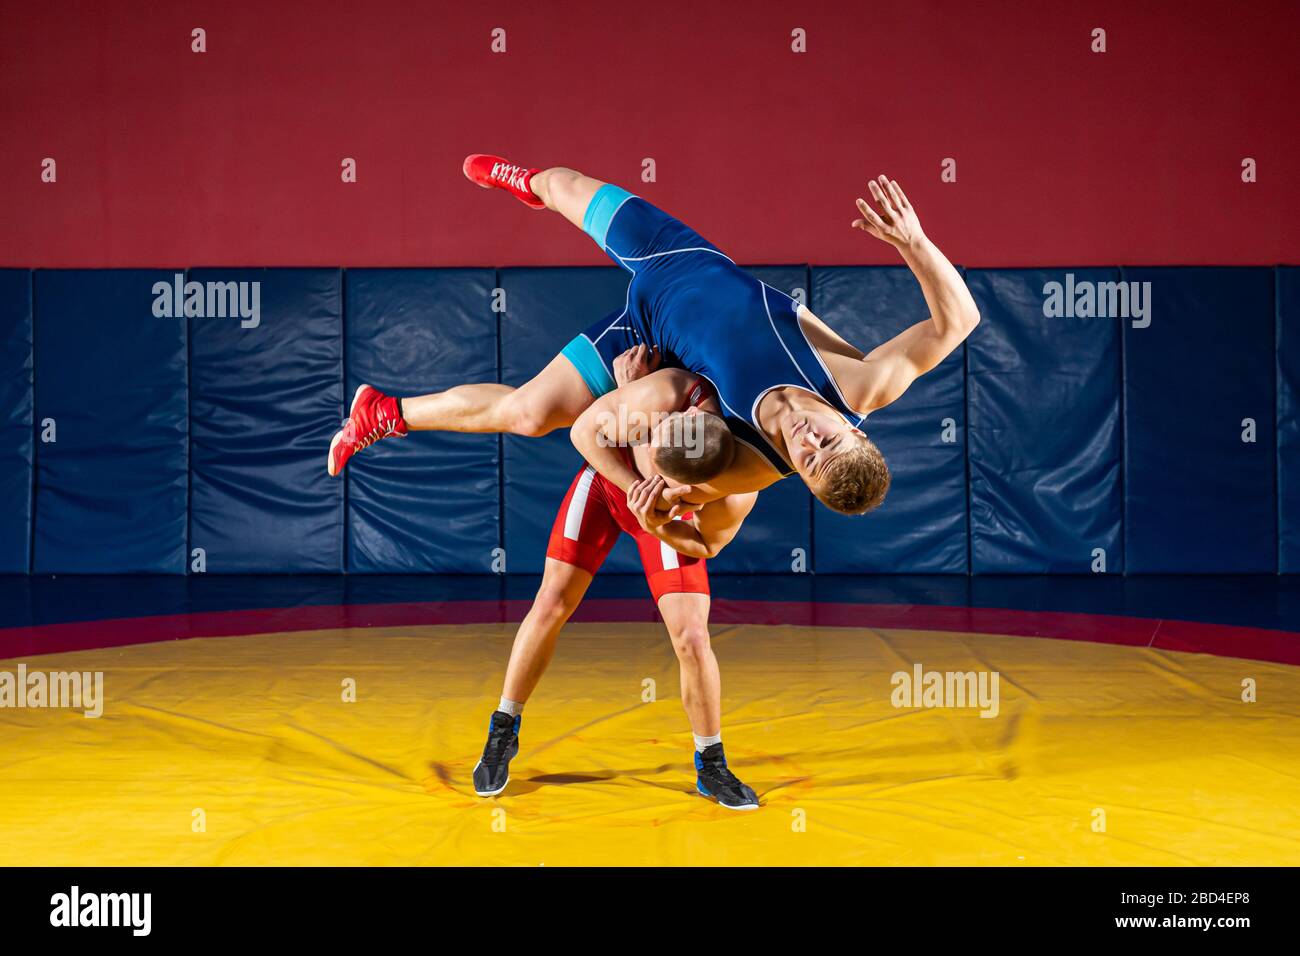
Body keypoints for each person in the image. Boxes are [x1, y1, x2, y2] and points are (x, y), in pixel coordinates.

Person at [327, 155, 980, 519]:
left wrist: (642, 441)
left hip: (643, 338)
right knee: (564, 187)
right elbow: (958, 322)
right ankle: (526, 182)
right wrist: (915, 243)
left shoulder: (750, 464)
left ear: (803, 482)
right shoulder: (860, 385)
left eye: (810, 461)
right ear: (855, 429)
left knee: (527, 416)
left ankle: (384, 413)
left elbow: (657, 469)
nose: (809, 441)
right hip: (681, 260)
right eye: (829, 440)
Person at [472, 348, 761, 810]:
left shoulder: (739, 485)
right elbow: (585, 434)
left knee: (691, 635)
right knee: (550, 603)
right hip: (612, 480)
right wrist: (633, 472)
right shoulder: (661, 394)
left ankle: (711, 761)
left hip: (669, 518)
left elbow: (707, 544)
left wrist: (662, 520)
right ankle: (503, 728)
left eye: (679, 482)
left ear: (706, 485)